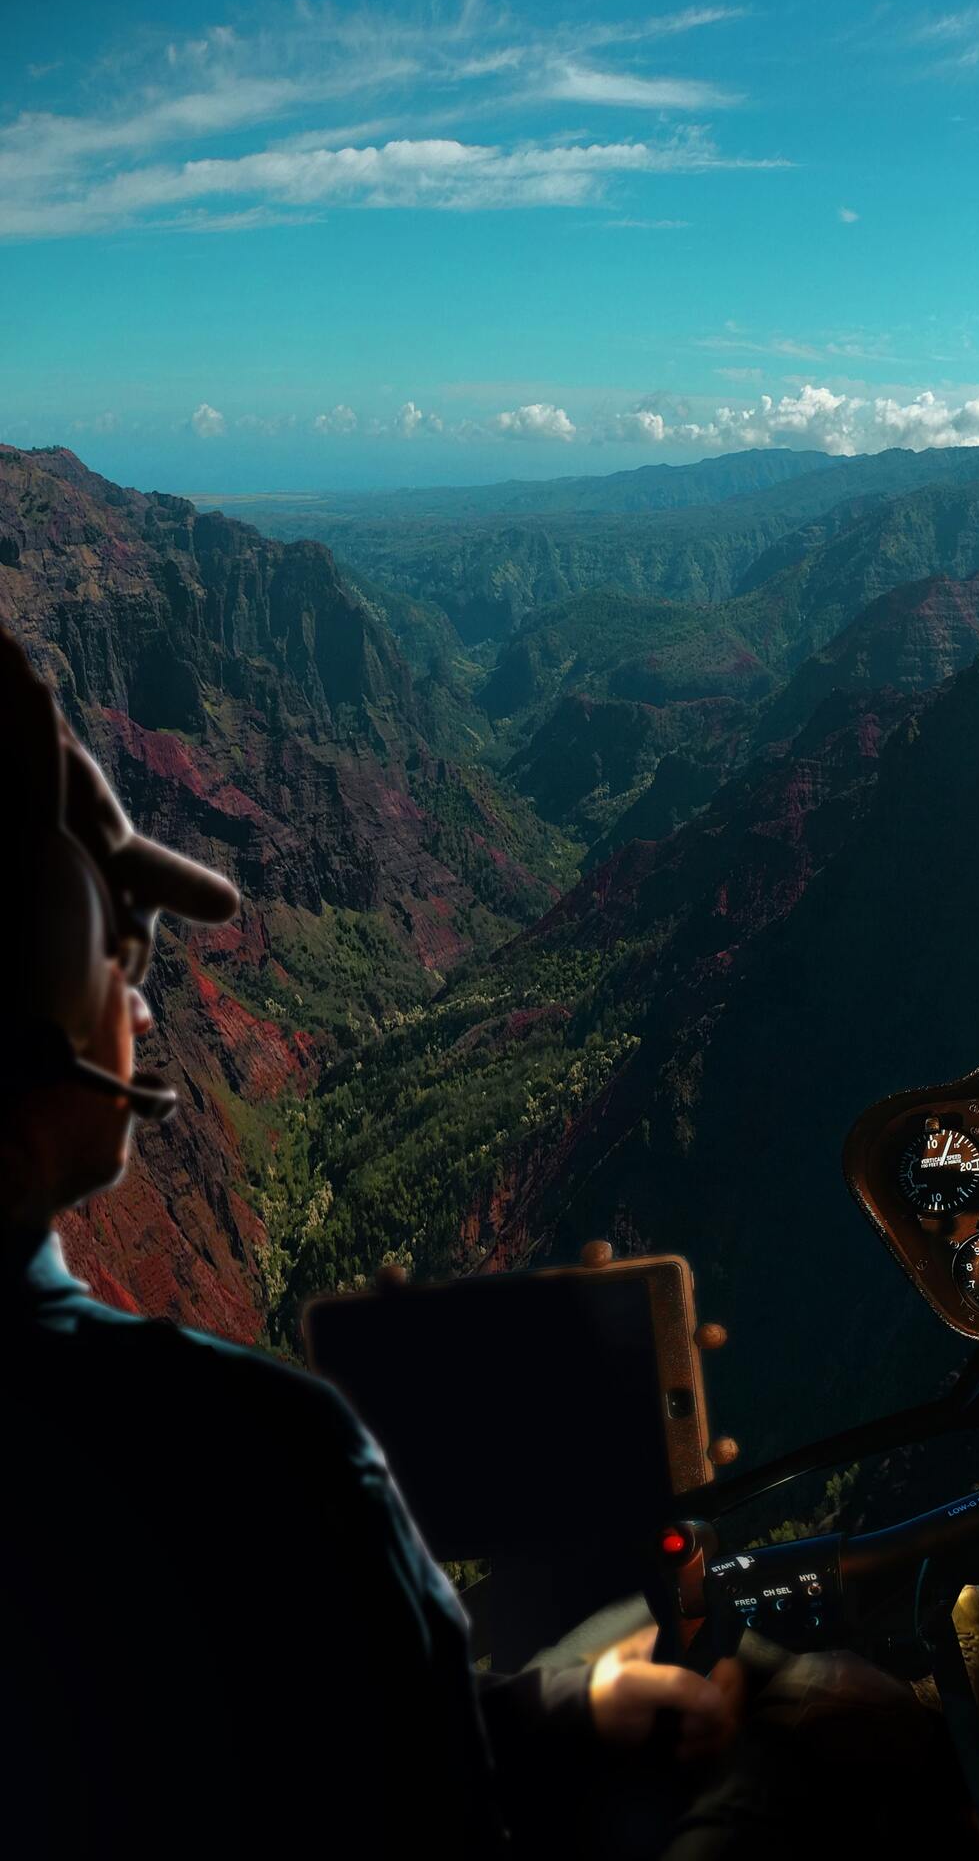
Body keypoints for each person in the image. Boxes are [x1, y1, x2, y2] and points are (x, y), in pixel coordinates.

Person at [0, 622, 744, 1858]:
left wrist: (570, 1702)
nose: (141, 995)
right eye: (112, 947)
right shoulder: (253, 1461)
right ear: (42, 1012)